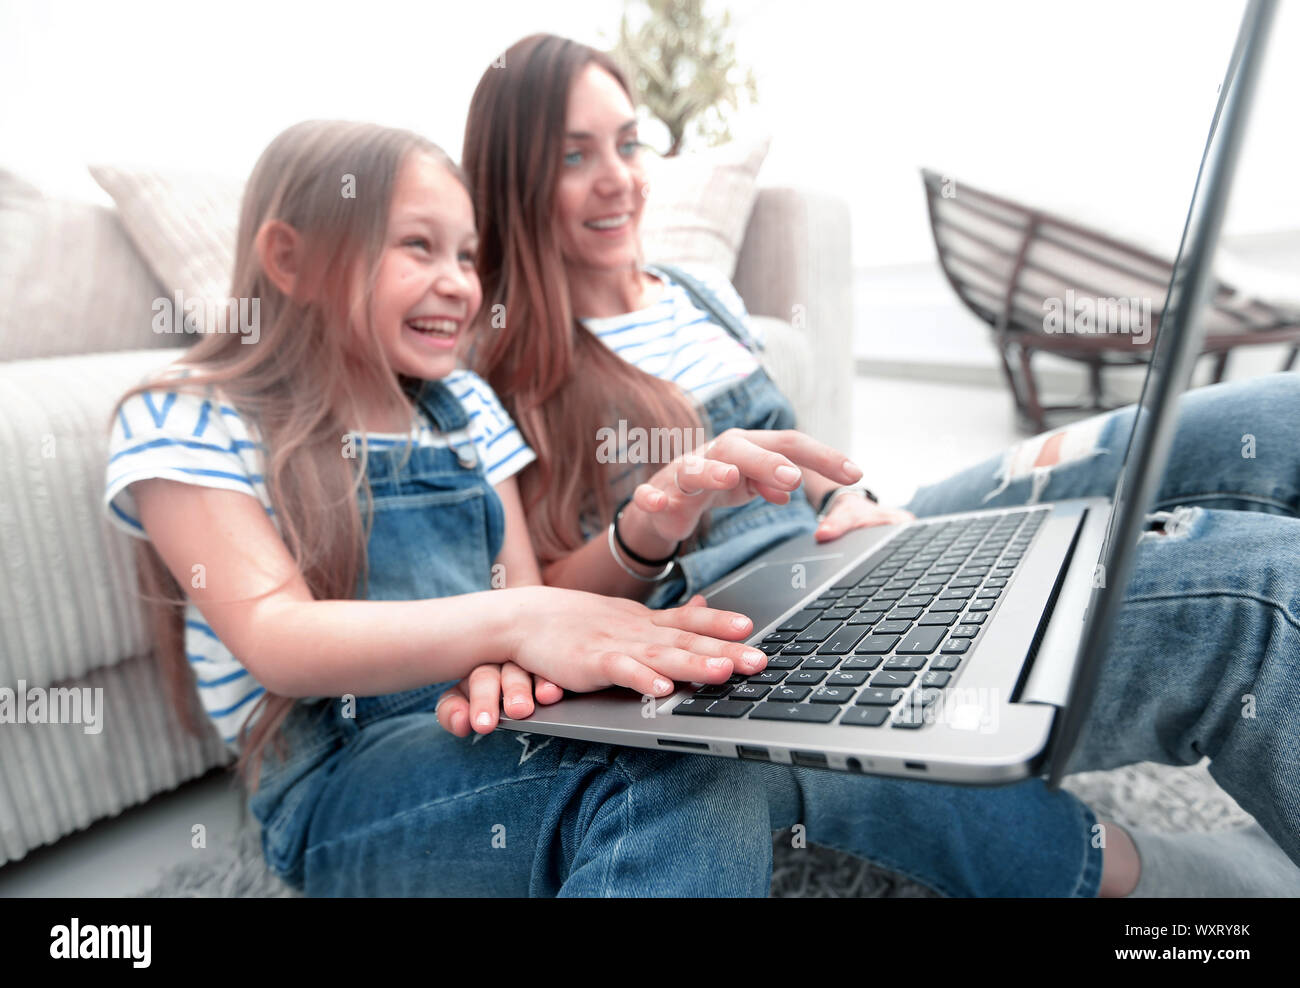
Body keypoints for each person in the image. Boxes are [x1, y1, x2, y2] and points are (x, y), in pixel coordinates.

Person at [431, 32, 1300, 897]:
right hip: (733, 609)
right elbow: (538, 601)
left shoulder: (699, 297)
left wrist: (857, 498)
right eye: (574, 156)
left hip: (857, 536)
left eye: (627, 143)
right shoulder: (493, 362)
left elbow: (795, 453)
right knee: (1253, 581)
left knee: (1269, 417)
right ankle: (1146, 880)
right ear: (515, 177)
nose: (618, 177)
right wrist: (642, 533)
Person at [103, 120, 794, 895]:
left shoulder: (462, 405)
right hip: (339, 781)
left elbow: (524, 594)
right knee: (667, 785)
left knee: (698, 752)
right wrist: (513, 625)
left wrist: (639, 537)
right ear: (291, 259)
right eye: (418, 247)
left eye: (466, 255)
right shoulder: (186, 416)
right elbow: (277, 636)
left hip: (484, 720)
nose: (461, 283)